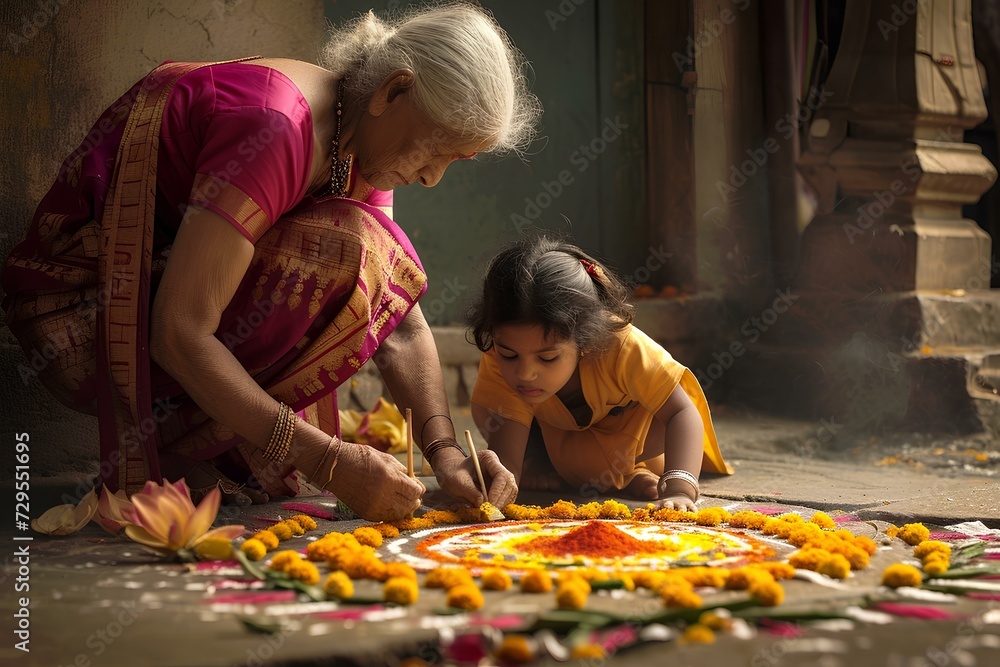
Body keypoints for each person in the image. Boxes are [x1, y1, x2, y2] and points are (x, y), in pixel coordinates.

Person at [2, 2, 539, 521]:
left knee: (369, 251)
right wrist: (328, 461)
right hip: (75, 323)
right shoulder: (277, 123)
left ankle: (197, 453)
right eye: (432, 151)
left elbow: (396, 316)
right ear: (393, 90)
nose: (431, 178)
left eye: (452, 163)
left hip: (153, 312)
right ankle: (173, 447)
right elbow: (179, 331)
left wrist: (443, 450)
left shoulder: (356, 146)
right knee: (350, 249)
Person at [467, 236, 731, 511]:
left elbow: (682, 413)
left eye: (548, 358)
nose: (525, 373)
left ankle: (629, 472)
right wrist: (499, 483)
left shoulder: (622, 346)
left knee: (654, 427)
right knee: (493, 412)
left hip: (640, 439)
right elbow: (506, 457)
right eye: (510, 355)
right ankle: (542, 461)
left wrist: (680, 489)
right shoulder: (499, 354)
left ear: (586, 340)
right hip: (553, 436)